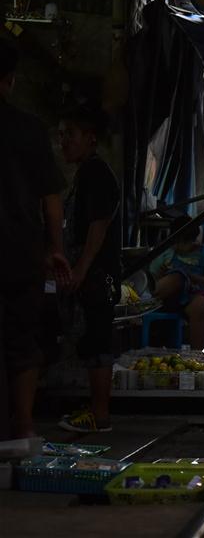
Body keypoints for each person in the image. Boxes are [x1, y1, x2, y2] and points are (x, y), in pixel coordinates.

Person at [0, 40, 69, 439]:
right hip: (22, 253)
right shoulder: (29, 129)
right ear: (10, 79)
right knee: (23, 342)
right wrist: (55, 248)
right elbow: (52, 201)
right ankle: (23, 427)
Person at [57, 106, 121, 433]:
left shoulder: (96, 172)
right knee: (90, 341)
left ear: (90, 138)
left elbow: (99, 224)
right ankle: (95, 409)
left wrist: (81, 269)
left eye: (70, 134)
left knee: (98, 341)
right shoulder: (85, 173)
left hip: (97, 275)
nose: (63, 141)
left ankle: (100, 415)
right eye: (62, 134)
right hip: (90, 273)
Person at [149, 216, 204, 349]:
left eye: (186, 242)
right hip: (167, 298)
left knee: (201, 305)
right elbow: (152, 278)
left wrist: (194, 278)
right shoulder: (167, 251)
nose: (182, 246)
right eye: (178, 242)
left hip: (193, 296)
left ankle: (197, 356)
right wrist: (162, 274)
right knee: (177, 277)